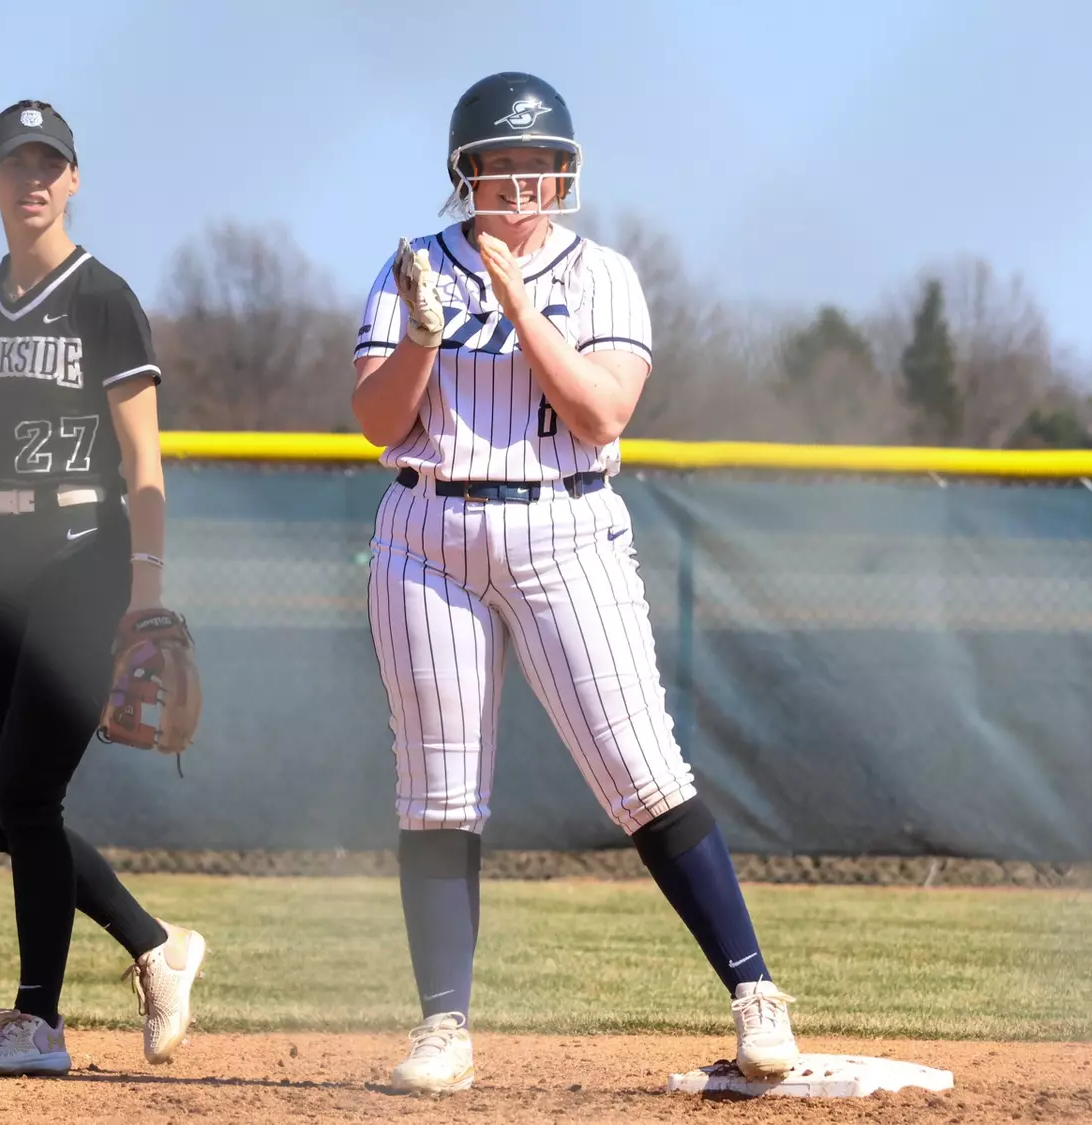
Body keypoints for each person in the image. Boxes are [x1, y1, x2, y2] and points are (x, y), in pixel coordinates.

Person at [351, 72, 801, 1095]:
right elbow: (379, 423)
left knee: (640, 769)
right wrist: (425, 332)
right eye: (498, 168)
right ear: (464, 175)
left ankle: (755, 995)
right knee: (438, 789)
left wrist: (513, 298)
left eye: (537, 168)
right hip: (428, 527)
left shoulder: (601, 275)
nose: (518, 188)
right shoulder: (412, 268)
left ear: (565, 177)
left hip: (564, 527)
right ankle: (443, 1029)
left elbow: (601, 415)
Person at [0, 99, 206, 1078]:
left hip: (91, 559)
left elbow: (144, 461)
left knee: (29, 792)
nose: (31, 179)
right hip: (9, 566)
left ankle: (39, 1022)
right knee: (1, 813)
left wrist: (143, 593)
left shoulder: (102, 298)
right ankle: (157, 944)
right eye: (13, 164)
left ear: (72, 180)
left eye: (49, 164)